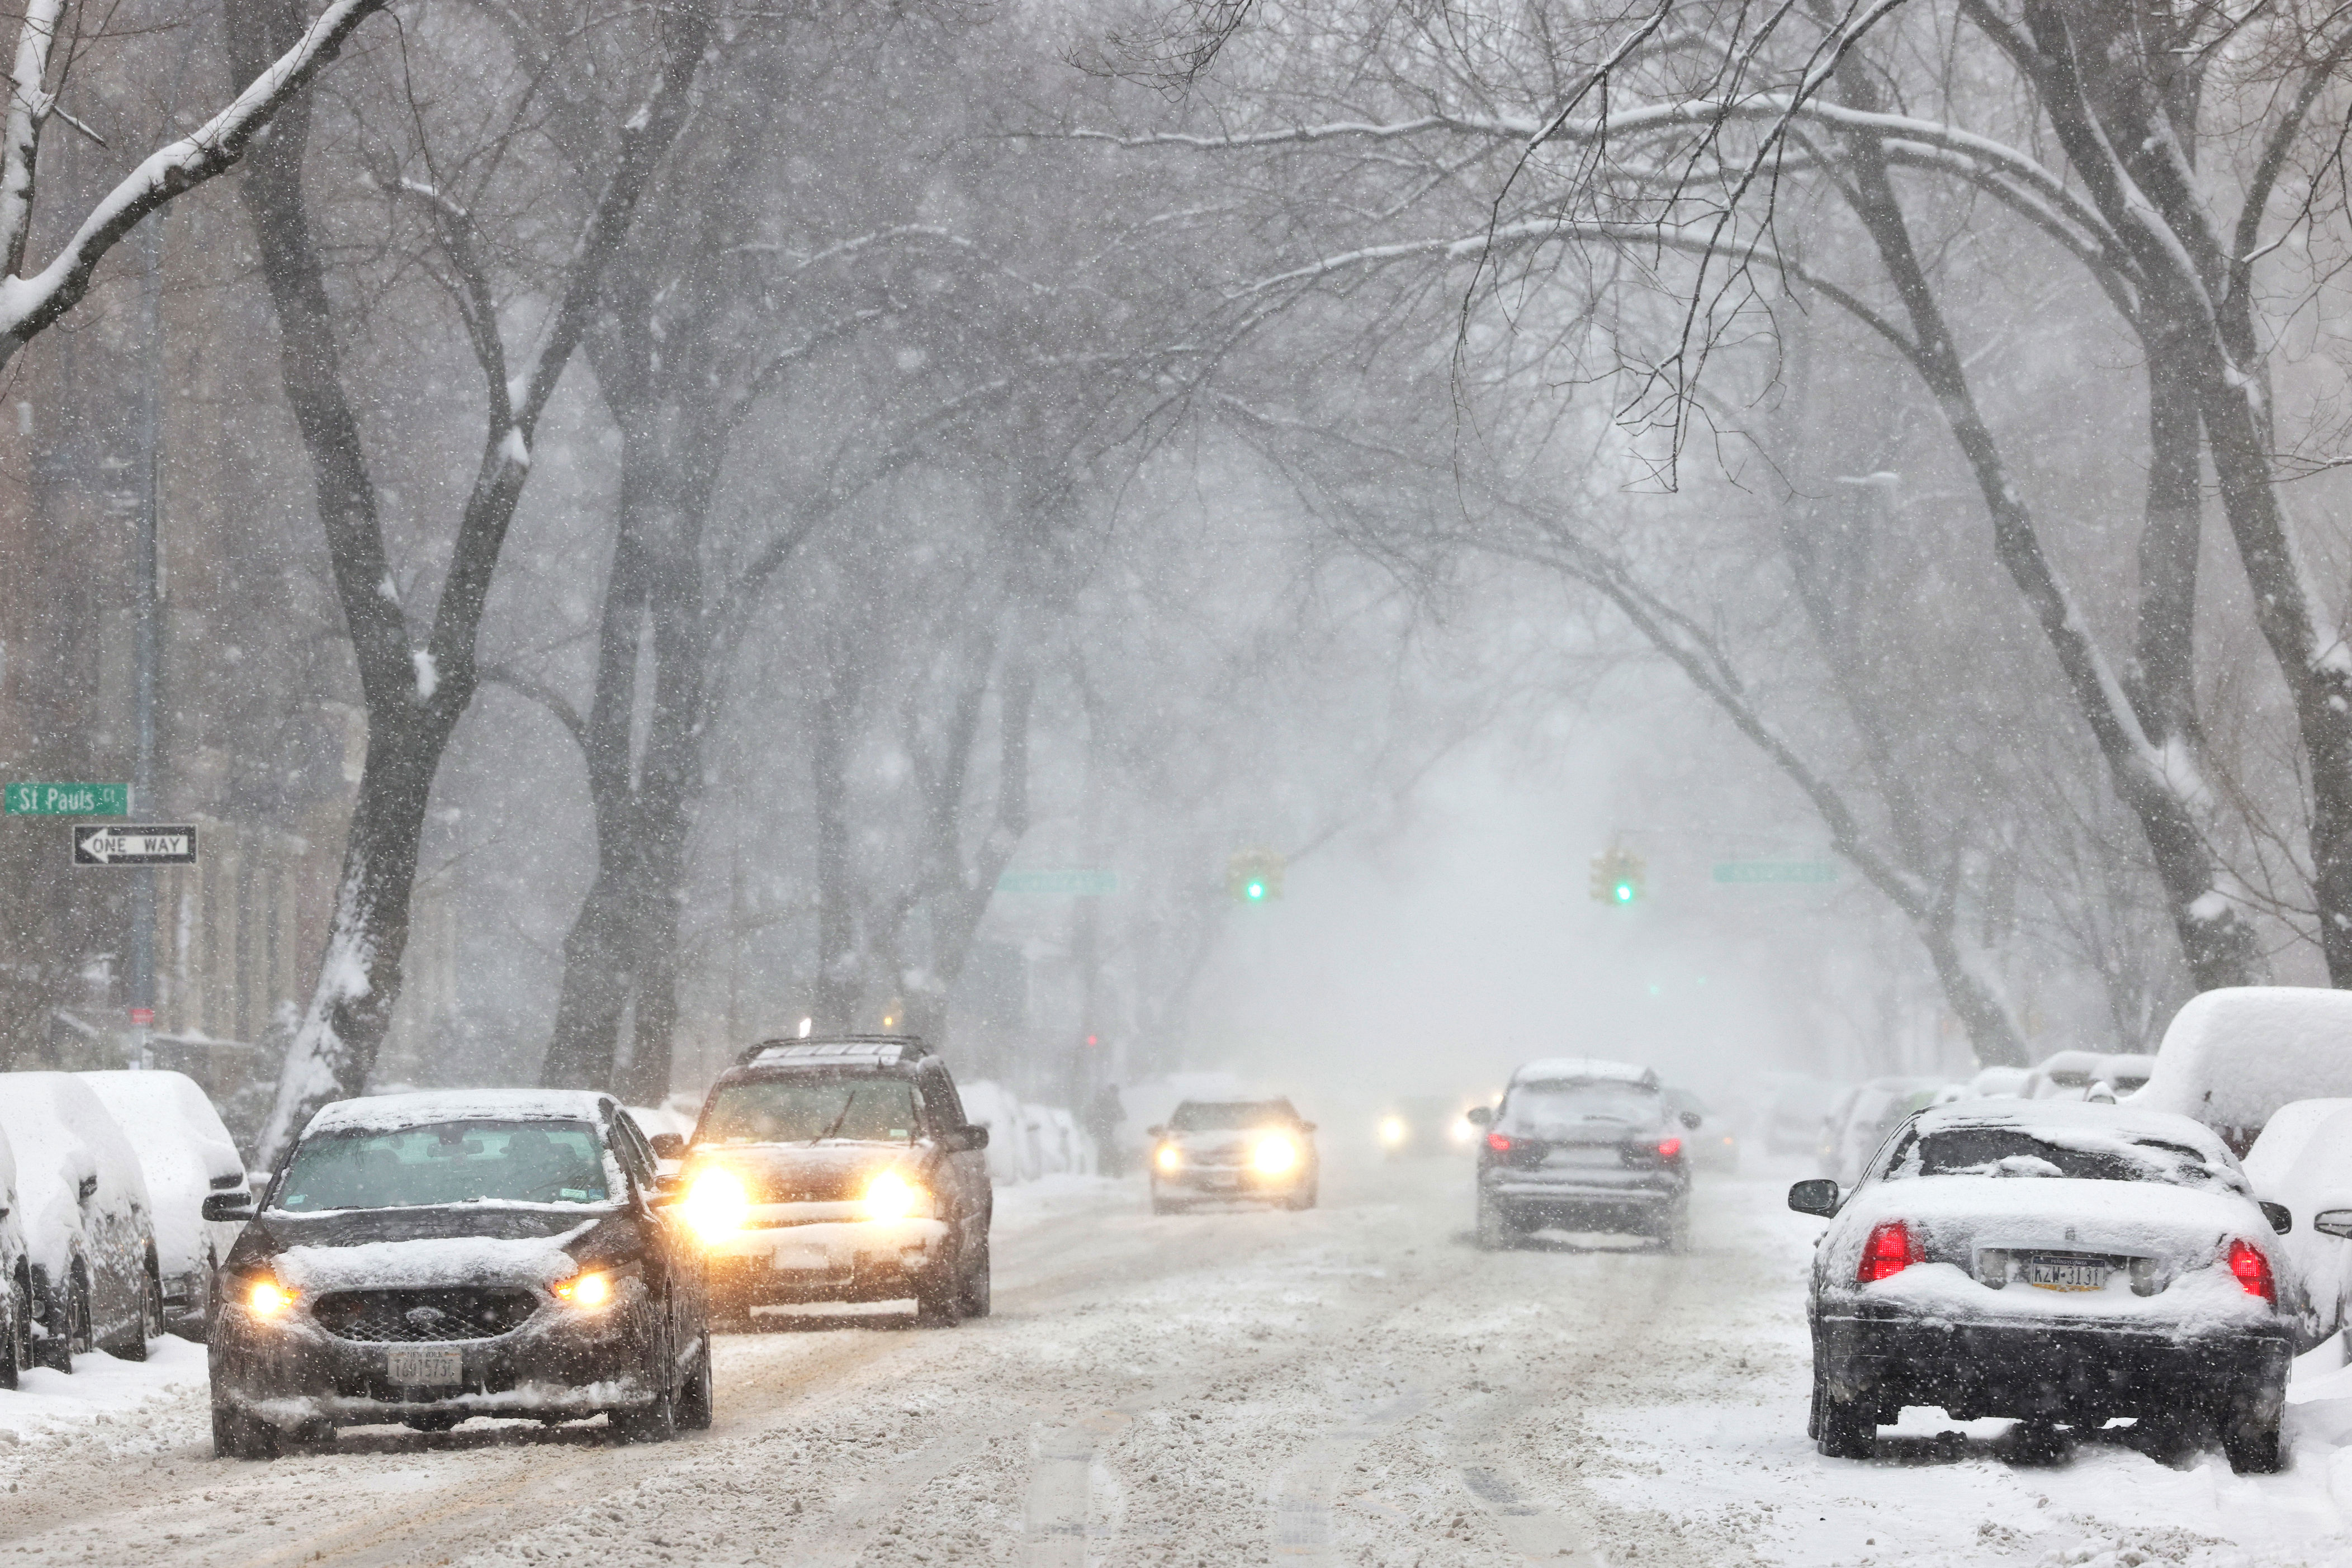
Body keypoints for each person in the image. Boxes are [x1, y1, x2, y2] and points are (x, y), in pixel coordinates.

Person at [1086, 1082, 1127, 1177]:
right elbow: (1122, 1115)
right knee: (1114, 1150)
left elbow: (1094, 1115)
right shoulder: (1113, 1101)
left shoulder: (1102, 1100)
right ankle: (1117, 1172)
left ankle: (1103, 1171)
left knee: (1104, 1150)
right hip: (1107, 1130)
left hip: (1101, 1130)